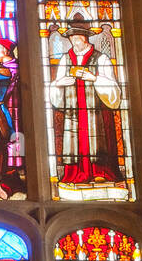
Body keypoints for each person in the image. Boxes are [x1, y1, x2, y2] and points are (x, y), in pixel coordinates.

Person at [48, 14, 123, 187]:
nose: (74, 41)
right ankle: (74, 173)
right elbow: (56, 85)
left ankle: (100, 171)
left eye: (77, 37)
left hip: (96, 111)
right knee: (74, 139)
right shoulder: (65, 59)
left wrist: (94, 78)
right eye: (71, 37)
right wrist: (59, 83)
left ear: (85, 37)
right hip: (73, 110)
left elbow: (114, 91)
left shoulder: (101, 58)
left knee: (97, 139)